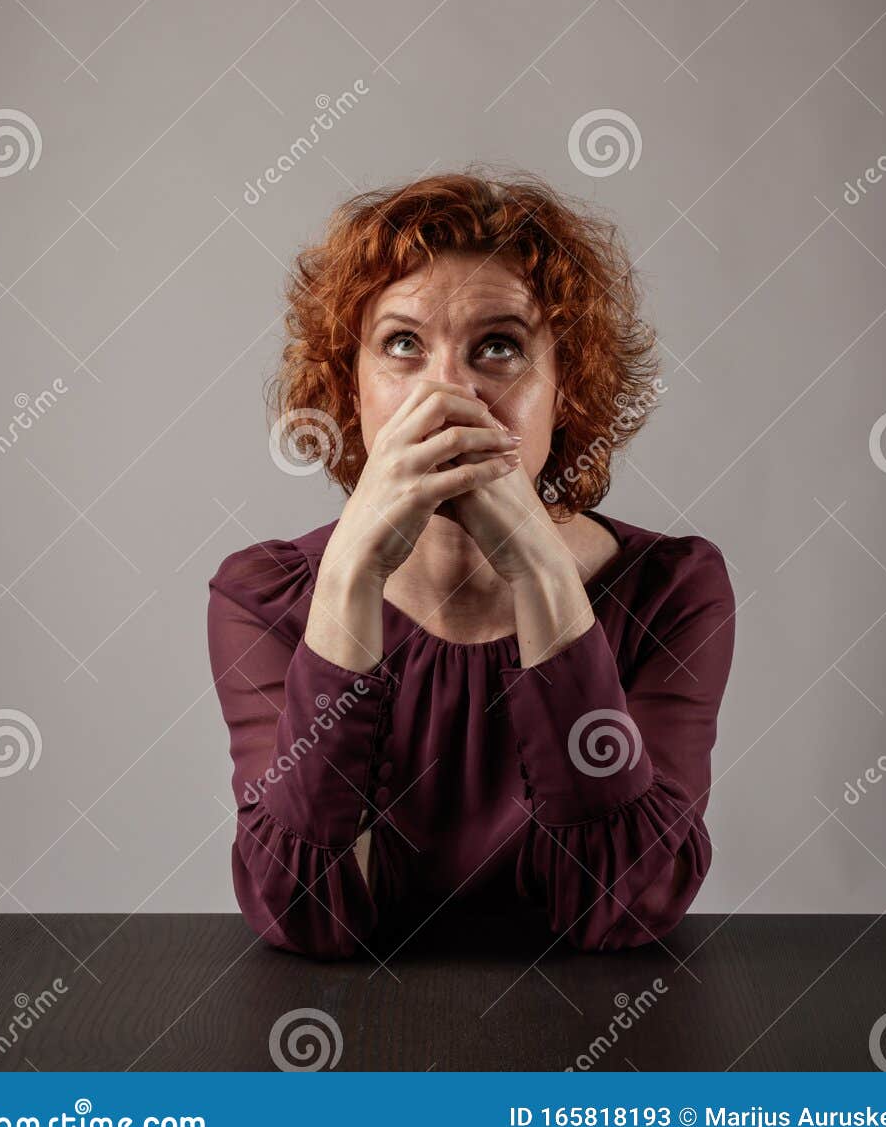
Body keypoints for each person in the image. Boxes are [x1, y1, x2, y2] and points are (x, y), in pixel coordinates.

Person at [207, 168, 735, 959]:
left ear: (568, 389)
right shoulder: (262, 597)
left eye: (499, 347)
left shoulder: (670, 590)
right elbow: (305, 915)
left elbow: (629, 900)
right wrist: (349, 575)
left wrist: (538, 569)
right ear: (352, 389)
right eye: (401, 345)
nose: (448, 393)